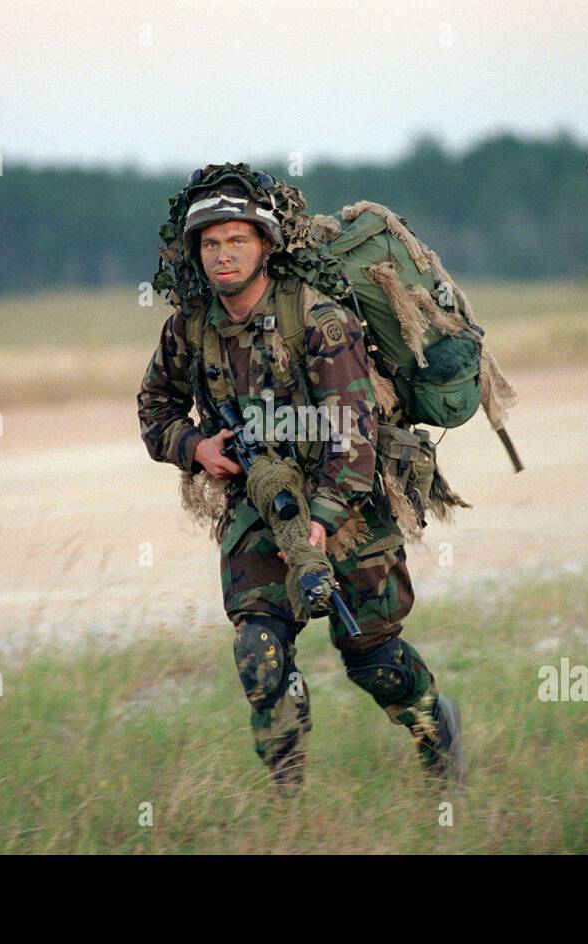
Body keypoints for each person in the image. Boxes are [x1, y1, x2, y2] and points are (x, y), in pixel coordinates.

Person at [136, 165, 463, 792]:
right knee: (259, 652)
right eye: (210, 243)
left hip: (349, 505)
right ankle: (289, 798)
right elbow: (155, 409)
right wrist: (198, 447)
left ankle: (434, 730)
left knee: (372, 659)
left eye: (237, 240)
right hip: (256, 506)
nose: (223, 256)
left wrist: (319, 524)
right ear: (195, 251)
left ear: (264, 245)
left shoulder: (318, 322)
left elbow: (356, 435)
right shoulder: (191, 327)